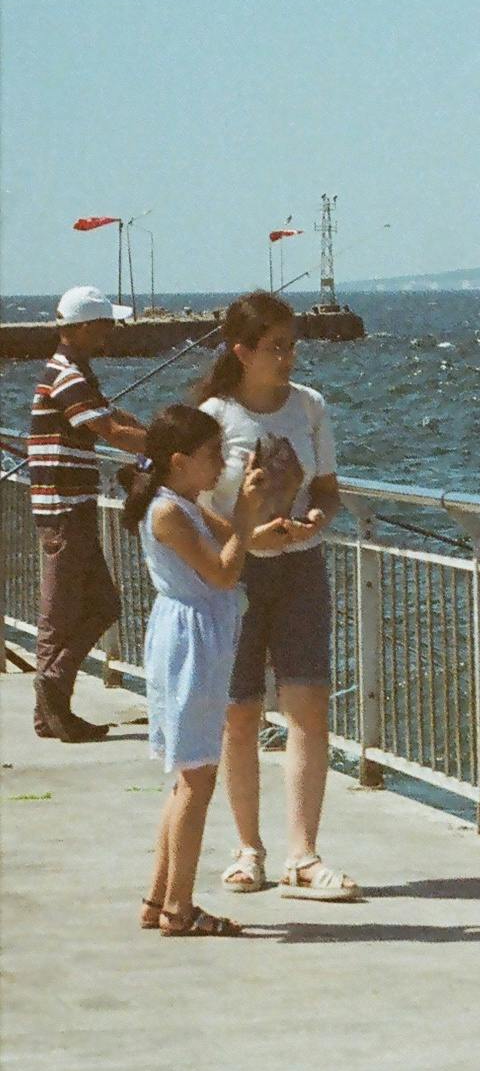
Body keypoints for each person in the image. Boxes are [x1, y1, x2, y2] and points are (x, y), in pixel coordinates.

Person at [197, 293, 362, 902]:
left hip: (300, 569)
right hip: (239, 577)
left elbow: (327, 487)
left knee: (307, 709)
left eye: (292, 345)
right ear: (242, 351)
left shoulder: (311, 408)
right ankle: (248, 850)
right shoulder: (214, 416)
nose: (287, 357)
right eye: (275, 347)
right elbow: (194, 506)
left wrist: (317, 517)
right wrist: (248, 535)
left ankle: (303, 854)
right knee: (239, 713)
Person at [125, 405, 297, 935]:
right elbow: (224, 571)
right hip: (190, 643)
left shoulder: (187, 505)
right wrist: (245, 517)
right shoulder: (169, 513)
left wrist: (277, 518)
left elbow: (247, 540)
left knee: (186, 777)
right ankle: (180, 908)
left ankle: (159, 900)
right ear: (178, 461)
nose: (220, 464)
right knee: (197, 776)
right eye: (211, 455)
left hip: (198, 638)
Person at [29, 285, 146, 740]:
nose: (110, 332)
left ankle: (50, 708)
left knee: (99, 605)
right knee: (63, 614)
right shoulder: (67, 376)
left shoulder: (74, 373)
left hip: (71, 507)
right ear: (80, 329)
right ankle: (54, 697)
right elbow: (109, 429)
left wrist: (155, 429)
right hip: (64, 509)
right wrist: (171, 447)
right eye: (104, 324)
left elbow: (115, 417)